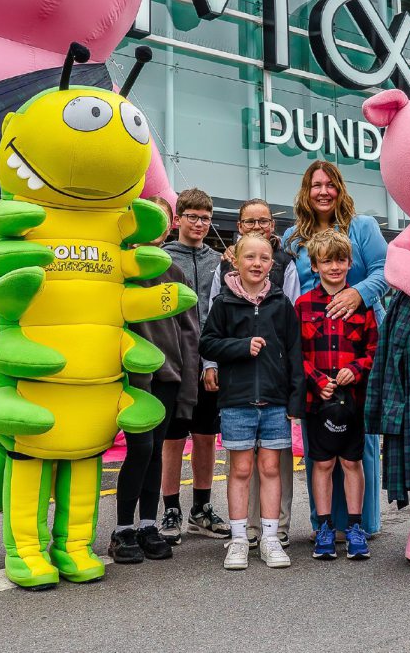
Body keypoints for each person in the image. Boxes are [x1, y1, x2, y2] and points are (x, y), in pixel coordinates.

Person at [282, 160, 388, 536]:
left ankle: (363, 523)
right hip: (315, 349)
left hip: (359, 341)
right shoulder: (293, 237)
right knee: (320, 439)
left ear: (340, 188)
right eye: (315, 185)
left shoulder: (363, 227)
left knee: (361, 439)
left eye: (329, 184)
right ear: (305, 192)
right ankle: (325, 523)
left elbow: (384, 271)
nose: (323, 191)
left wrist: (358, 293)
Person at [199, 234, 301, 570]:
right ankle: (240, 538)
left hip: (274, 401)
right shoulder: (224, 303)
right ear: (236, 261)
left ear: (272, 265)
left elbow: (295, 354)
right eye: (250, 258)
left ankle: (270, 537)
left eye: (264, 258)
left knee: (271, 469)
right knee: (240, 470)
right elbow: (207, 344)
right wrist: (241, 347)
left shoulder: (281, 304)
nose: (256, 264)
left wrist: (295, 398)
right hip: (237, 401)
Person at [109, 196, 202, 564]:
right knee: (141, 449)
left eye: (162, 221)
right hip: (131, 379)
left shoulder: (174, 273)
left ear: (168, 227)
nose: (155, 228)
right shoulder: (121, 268)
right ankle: (121, 530)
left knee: (155, 454)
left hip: (167, 377)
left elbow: (189, 334)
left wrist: (187, 388)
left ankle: (147, 524)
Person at [298, 230, 378, 560]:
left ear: (350, 263)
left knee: (352, 461)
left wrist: (356, 369)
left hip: (353, 401)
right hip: (318, 402)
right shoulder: (302, 305)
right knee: (323, 463)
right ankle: (326, 527)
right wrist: (316, 378)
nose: (335, 266)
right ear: (315, 266)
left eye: (340, 260)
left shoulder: (362, 306)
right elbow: (295, 353)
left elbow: (373, 349)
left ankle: (356, 526)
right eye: (327, 260)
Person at [159, 188, 231, 543]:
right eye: (193, 216)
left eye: (206, 217)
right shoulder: (161, 258)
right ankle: (170, 509)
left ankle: (201, 509)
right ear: (177, 220)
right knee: (172, 439)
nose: (200, 223)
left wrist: (212, 360)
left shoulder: (220, 261)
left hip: (209, 363)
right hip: (174, 362)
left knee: (206, 437)